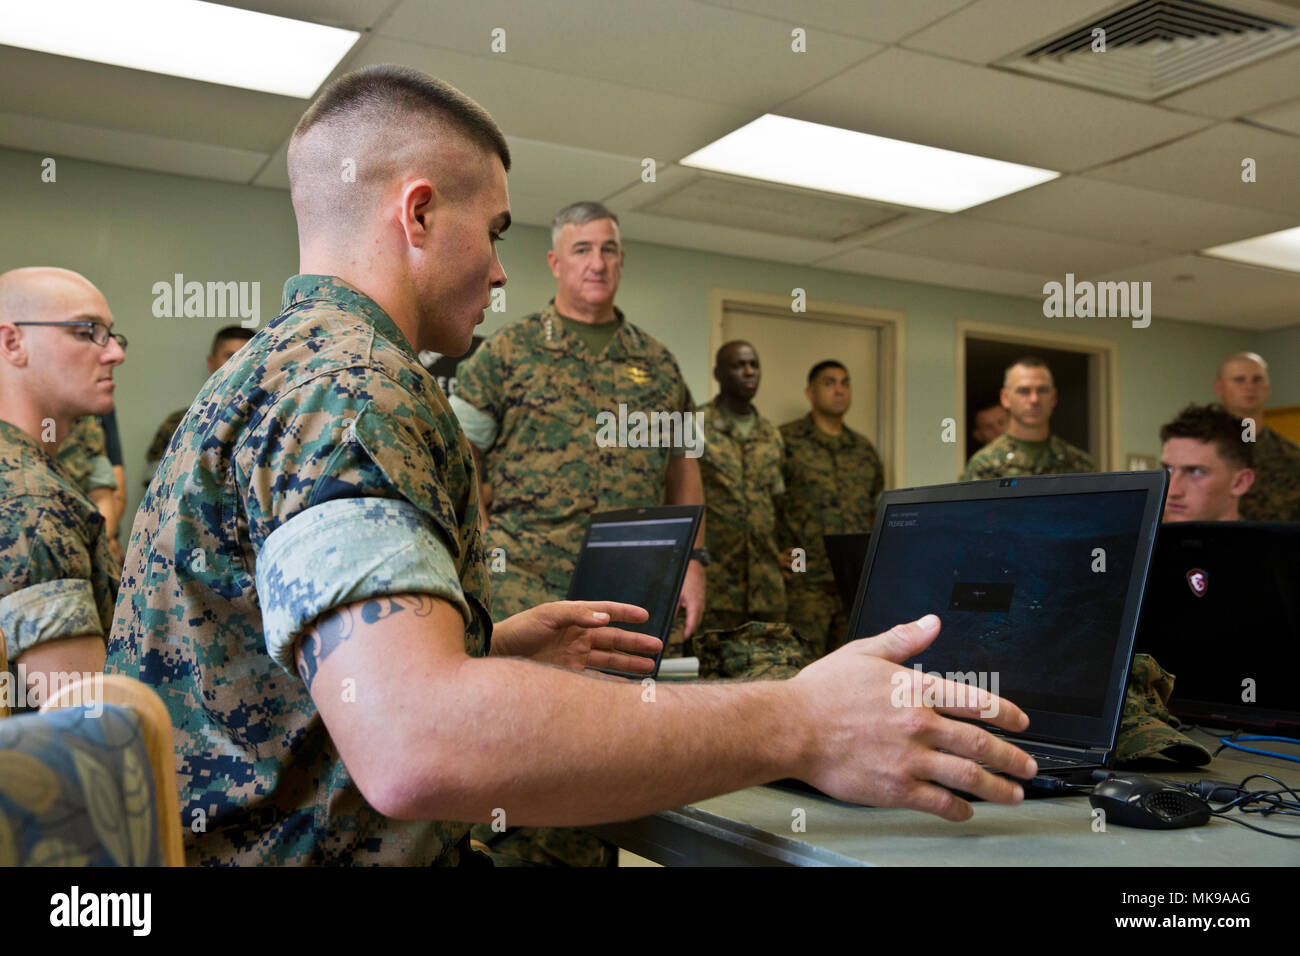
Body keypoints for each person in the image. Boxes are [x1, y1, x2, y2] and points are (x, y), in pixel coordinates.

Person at [107, 65, 1036, 867]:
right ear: (420, 213)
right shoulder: (356, 392)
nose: (503, 274)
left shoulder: (259, 376)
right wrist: (802, 720)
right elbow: (416, 742)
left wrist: (488, 647)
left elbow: (299, 679)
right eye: (499, 230)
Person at [451, 200, 706, 866]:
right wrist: (474, 530)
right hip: (526, 578)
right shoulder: (509, 350)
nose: (598, 262)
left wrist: (695, 559)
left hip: (627, 583)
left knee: (606, 742)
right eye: (584, 249)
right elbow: (456, 445)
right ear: (556, 263)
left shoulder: (656, 362)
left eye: (610, 249)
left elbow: (684, 465)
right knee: (524, 737)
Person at [0, 266, 124, 707]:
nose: (114, 354)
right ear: (13, 343)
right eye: (86, 332)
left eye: (111, 335)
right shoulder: (34, 500)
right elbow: (84, 727)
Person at [776, 360, 883, 661]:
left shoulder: (863, 449)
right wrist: (772, 552)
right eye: (829, 382)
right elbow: (763, 503)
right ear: (810, 392)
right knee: (802, 669)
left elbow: (875, 510)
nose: (839, 389)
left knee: (852, 669)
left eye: (845, 382)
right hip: (804, 579)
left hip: (854, 581)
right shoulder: (785, 441)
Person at [698, 341, 788, 634]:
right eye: (738, 365)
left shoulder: (771, 434)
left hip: (766, 586)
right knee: (709, 677)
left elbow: (776, 500)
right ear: (717, 373)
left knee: (770, 674)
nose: (749, 372)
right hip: (715, 583)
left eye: (754, 365)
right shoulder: (695, 426)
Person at [143, 325, 255, 487]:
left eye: (248, 355)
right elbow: (155, 487)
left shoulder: (272, 419)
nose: (240, 363)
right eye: (230, 356)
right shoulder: (179, 424)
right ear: (211, 363)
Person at [961, 357, 1095, 480]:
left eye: (1042, 390)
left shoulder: (1080, 464)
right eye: (1024, 391)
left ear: (1053, 397)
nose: (1034, 399)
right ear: (1005, 398)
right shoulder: (984, 465)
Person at [1212, 352, 1300, 521]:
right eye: (1239, 379)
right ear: (1219, 388)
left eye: (1257, 379)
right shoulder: (1197, 450)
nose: (1249, 386)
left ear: (1268, 387)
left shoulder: (1291, 456)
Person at [1159, 404, 1255, 523]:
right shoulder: (1140, 540)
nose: (1172, 491)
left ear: (1240, 483)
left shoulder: (1271, 542)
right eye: (1168, 469)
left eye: (1195, 472)